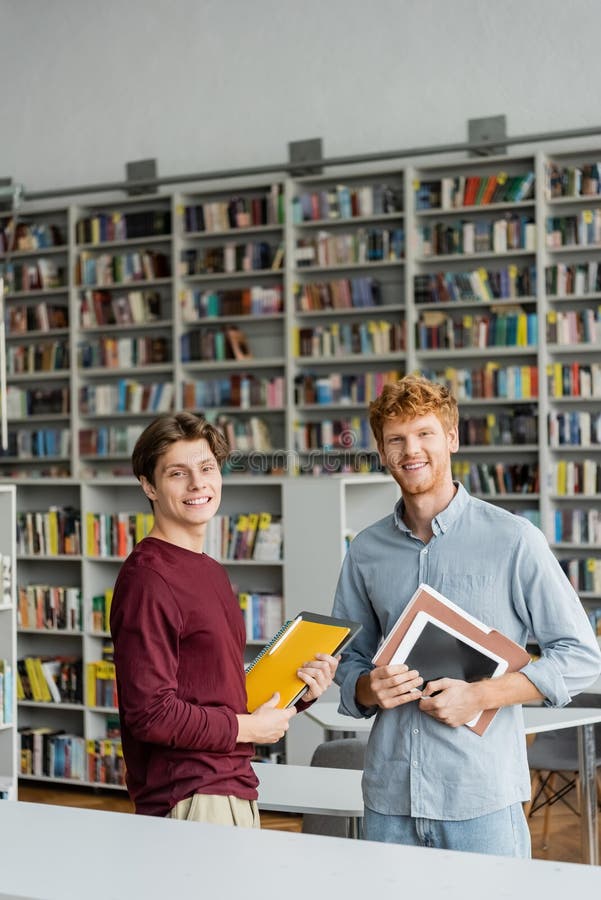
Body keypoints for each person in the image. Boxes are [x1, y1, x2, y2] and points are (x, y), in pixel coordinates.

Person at [332, 374, 601, 856]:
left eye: (424, 434)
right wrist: (365, 687)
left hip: (483, 799)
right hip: (389, 799)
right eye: (396, 439)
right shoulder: (365, 550)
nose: (411, 450)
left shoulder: (514, 539)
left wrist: (481, 695)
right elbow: (348, 660)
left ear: (451, 438)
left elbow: (582, 656)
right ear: (382, 450)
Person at [110, 411, 338, 826]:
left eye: (207, 468)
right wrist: (249, 729)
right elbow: (151, 714)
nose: (198, 484)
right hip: (190, 795)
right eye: (178, 473)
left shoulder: (211, 570)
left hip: (232, 786)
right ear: (149, 486)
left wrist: (296, 692)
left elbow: (220, 695)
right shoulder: (148, 578)